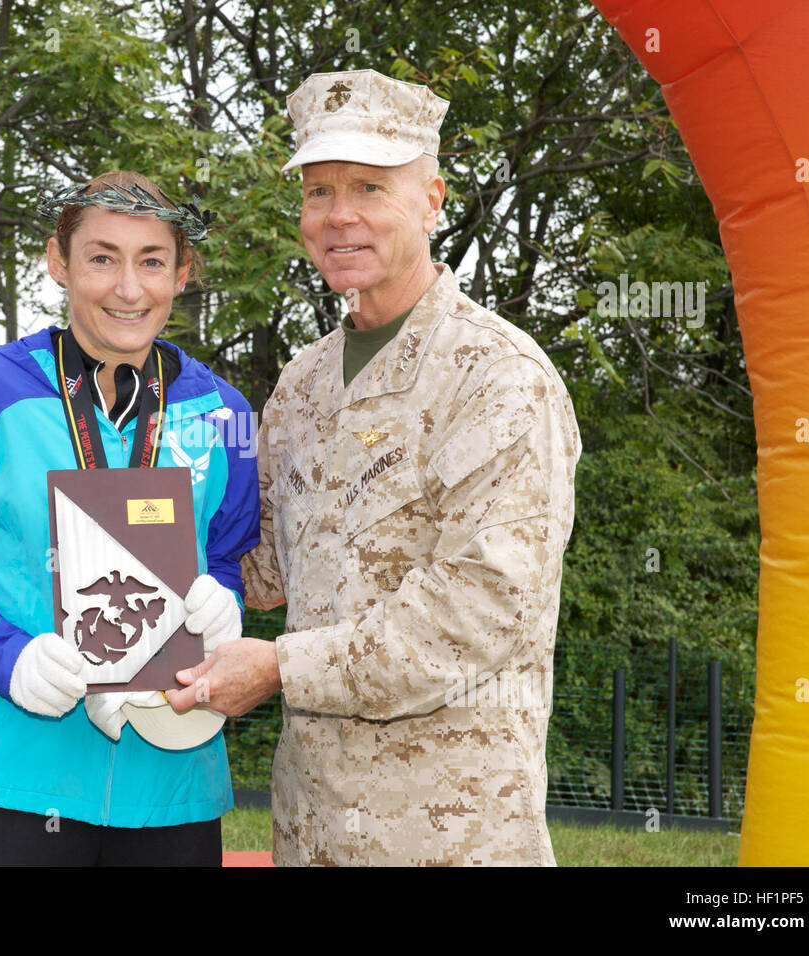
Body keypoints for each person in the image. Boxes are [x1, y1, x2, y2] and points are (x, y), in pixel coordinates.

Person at [166, 70, 582, 865]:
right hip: (311, 825)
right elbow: (262, 566)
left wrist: (279, 667)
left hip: (447, 834)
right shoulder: (303, 385)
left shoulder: (497, 377)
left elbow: (477, 613)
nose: (338, 215)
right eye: (318, 191)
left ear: (431, 200)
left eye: (368, 186)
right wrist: (111, 557)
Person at [0, 170, 259, 866]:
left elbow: (229, 559)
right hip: (10, 778)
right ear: (58, 263)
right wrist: (7, 655)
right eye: (101, 258)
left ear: (183, 273)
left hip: (171, 786)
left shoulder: (227, 415)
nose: (128, 288)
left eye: (152, 260)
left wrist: (226, 604)